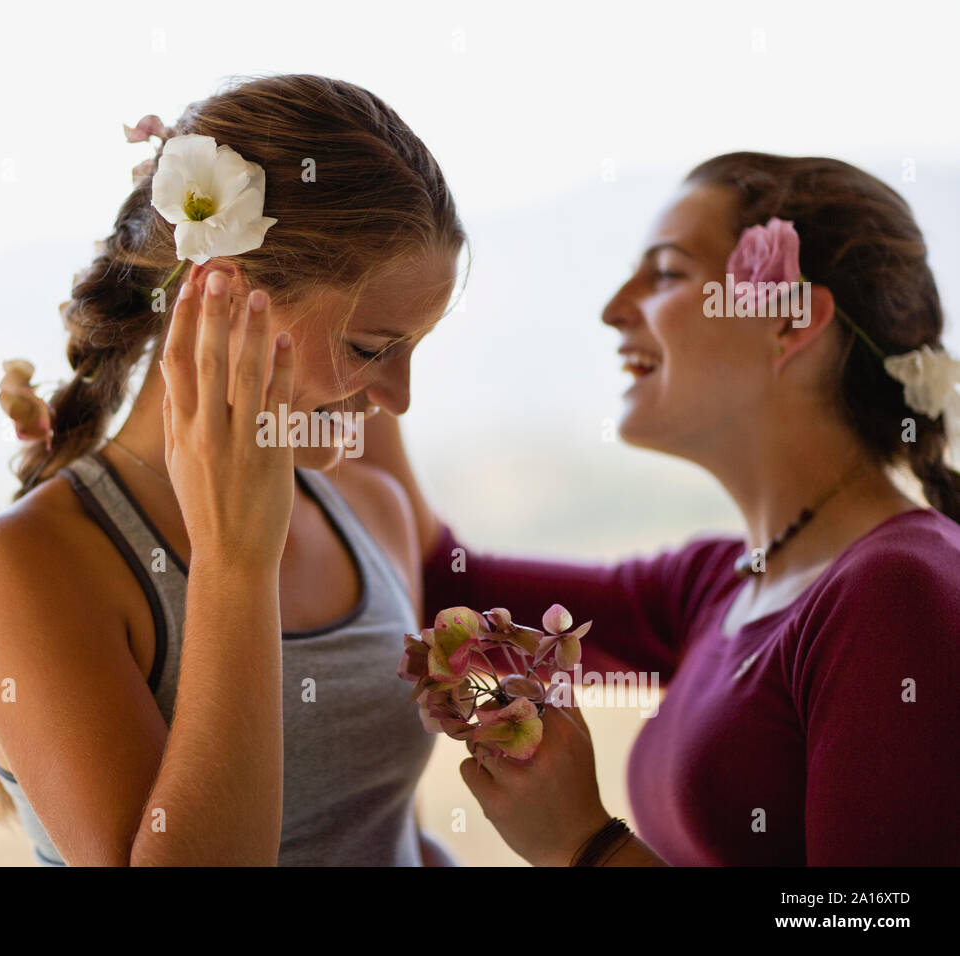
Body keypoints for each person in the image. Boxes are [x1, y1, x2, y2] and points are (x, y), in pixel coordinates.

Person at [360, 153, 960, 865]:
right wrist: (360, 330)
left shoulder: (894, 592)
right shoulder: (723, 581)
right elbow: (439, 577)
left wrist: (586, 844)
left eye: (669, 273)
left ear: (789, 323)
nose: (615, 307)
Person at [0, 74, 465, 865]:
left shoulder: (372, 510)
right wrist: (232, 563)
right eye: (369, 348)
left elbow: (392, 836)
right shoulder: (26, 567)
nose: (397, 398)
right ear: (220, 292)